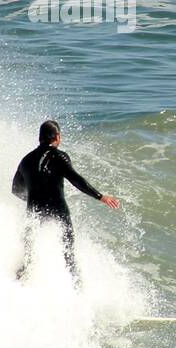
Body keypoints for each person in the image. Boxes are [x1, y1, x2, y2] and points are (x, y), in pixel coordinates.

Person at [12, 120, 119, 285]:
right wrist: (100, 196)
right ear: (57, 136)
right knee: (67, 253)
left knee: (29, 255)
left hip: (34, 211)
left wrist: (35, 197)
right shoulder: (59, 156)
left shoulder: (26, 160)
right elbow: (76, 179)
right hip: (58, 211)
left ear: (40, 137)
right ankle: (77, 289)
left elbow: (16, 189)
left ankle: (16, 286)